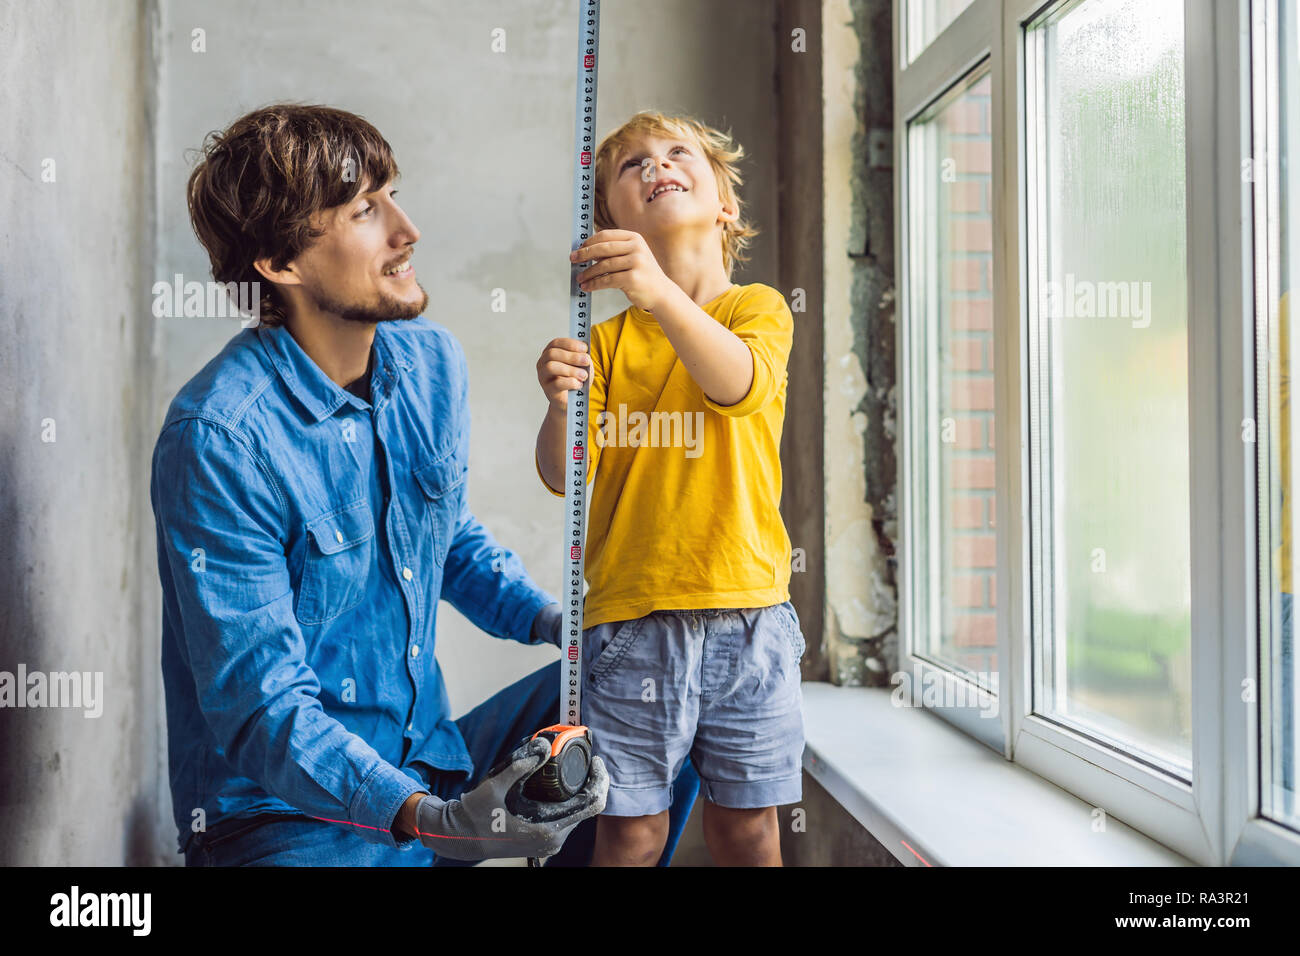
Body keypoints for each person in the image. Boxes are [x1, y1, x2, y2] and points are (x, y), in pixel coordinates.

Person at [150, 103, 700, 866]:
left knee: (667, 685)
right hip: (285, 819)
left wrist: (559, 626)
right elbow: (261, 712)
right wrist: (434, 819)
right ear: (279, 264)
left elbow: (444, 542)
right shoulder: (220, 439)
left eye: (393, 194)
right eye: (364, 210)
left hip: (435, 765)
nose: (407, 231)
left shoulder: (430, 363)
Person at [534, 111, 805, 866]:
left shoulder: (757, 312)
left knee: (749, 829)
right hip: (629, 625)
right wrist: (561, 408)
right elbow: (565, 476)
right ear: (610, 225)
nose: (656, 166)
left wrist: (656, 293)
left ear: (726, 205)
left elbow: (736, 385)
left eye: (678, 153)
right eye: (631, 167)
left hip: (750, 618)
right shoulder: (606, 345)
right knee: (629, 832)